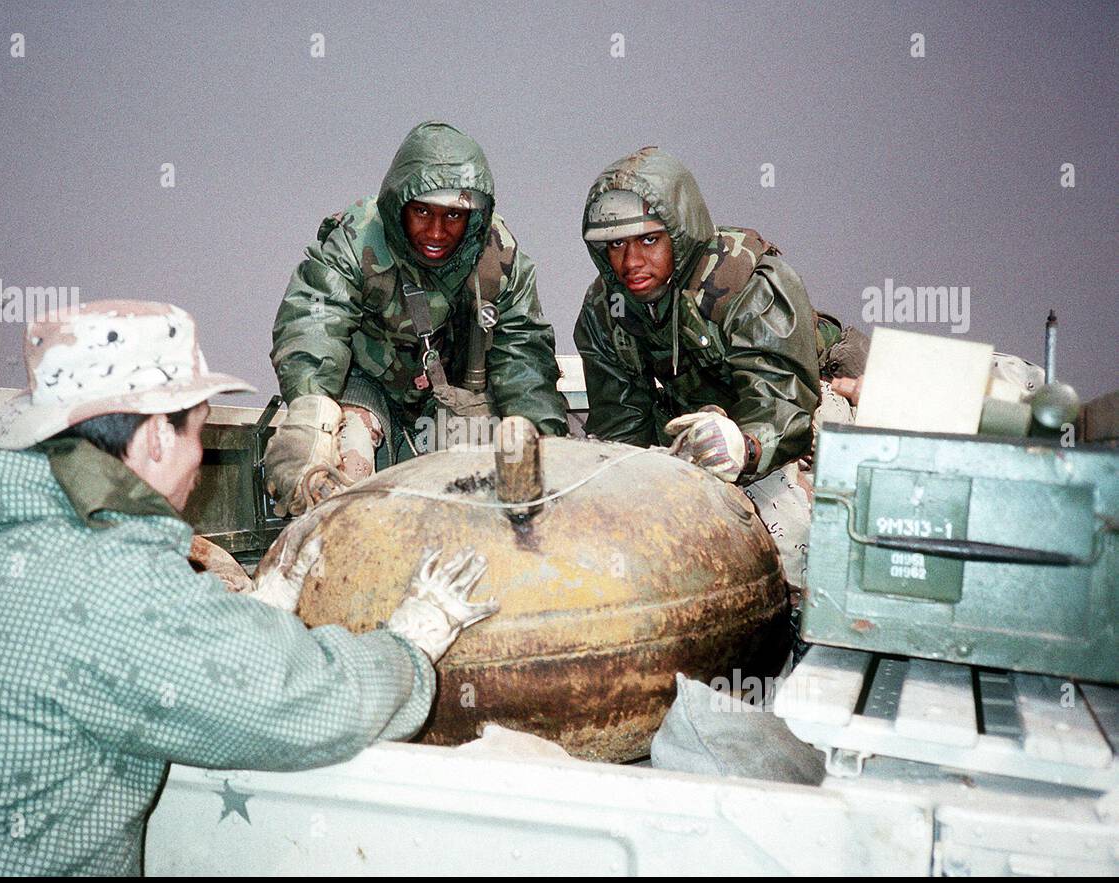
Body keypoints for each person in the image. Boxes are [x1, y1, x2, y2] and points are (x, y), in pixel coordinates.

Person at [0, 299, 494, 876]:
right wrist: (408, 644)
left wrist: (259, 610)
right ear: (151, 439)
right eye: (196, 431)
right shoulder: (109, 569)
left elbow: (111, 663)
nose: (201, 460)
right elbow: (307, 704)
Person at [574, 146, 865, 590]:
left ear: (679, 232)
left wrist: (746, 448)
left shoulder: (745, 281)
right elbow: (621, 429)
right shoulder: (606, 310)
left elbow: (785, 401)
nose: (631, 262)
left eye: (649, 240)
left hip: (803, 416)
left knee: (792, 550)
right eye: (616, 244)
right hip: (703, 432)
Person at [266, 120, 569, 517]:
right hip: (366, 390)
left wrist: (547, 453)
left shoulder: (500, 259)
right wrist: (312, 413)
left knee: (506, 481)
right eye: (422, 211)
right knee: (342, 472)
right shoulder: (356, 240)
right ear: (399, 205)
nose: (437, 231)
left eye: (454, 216)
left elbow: (524, 361)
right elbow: (314, 319)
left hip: (459, 398)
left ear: (474, 217)